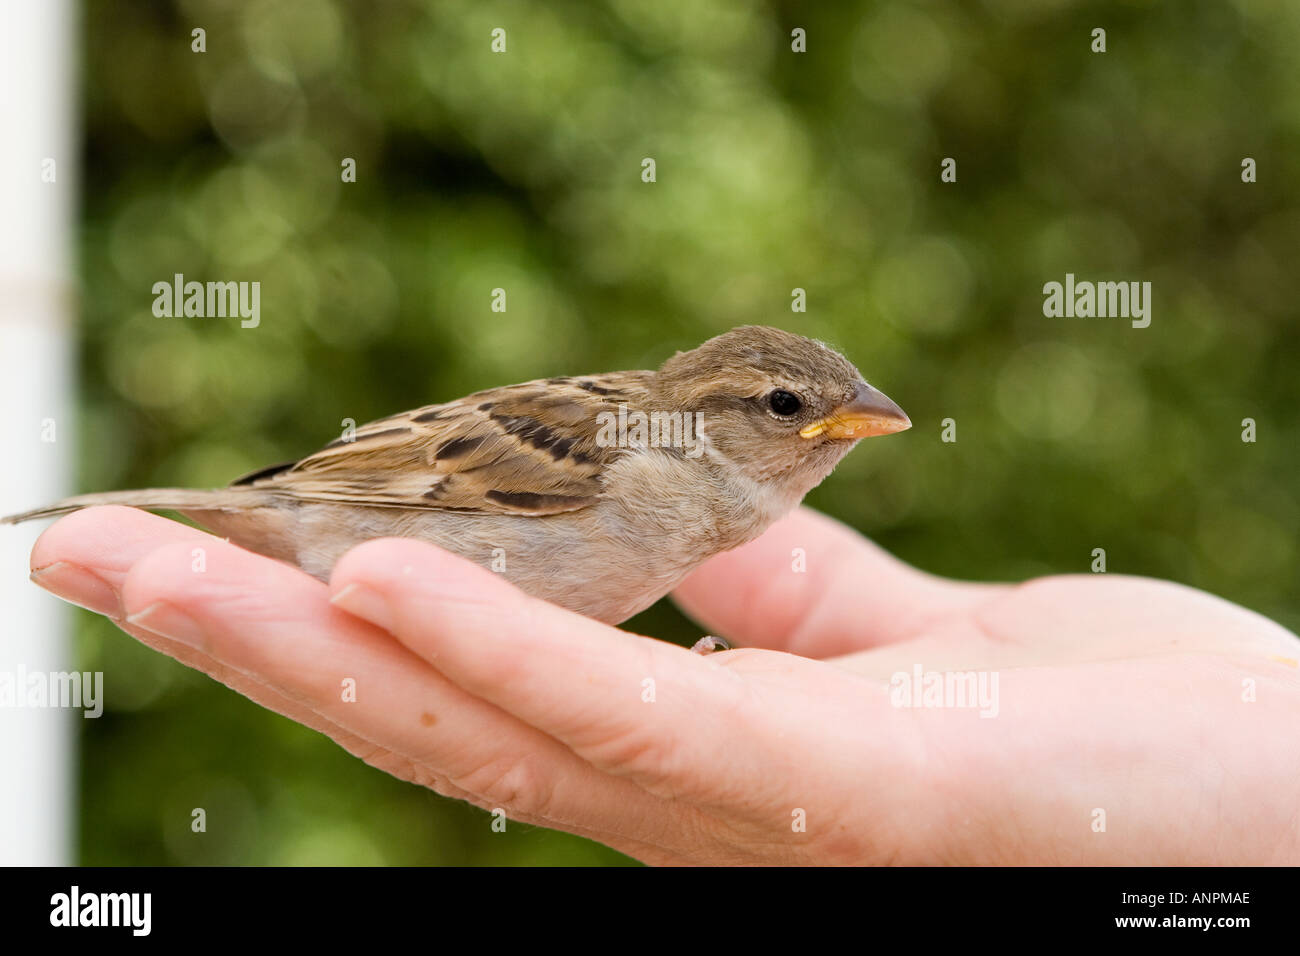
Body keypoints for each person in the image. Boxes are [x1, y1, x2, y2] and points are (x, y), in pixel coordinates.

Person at [27, 504, 1300, 864]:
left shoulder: (711, 515)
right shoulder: (627, 461)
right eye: (790, 406)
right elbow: (434, 467)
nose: (840, 426)